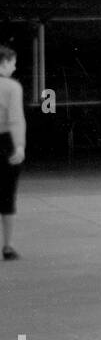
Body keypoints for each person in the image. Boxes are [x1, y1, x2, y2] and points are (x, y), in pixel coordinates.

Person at [0, 46, 26, 261]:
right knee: (7, 195)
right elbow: (15, 119)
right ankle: (7, 246)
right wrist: (19, 146)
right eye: (13, 62)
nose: (15, 66)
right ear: (4, 63)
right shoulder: (11, 87)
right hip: (4, 142)